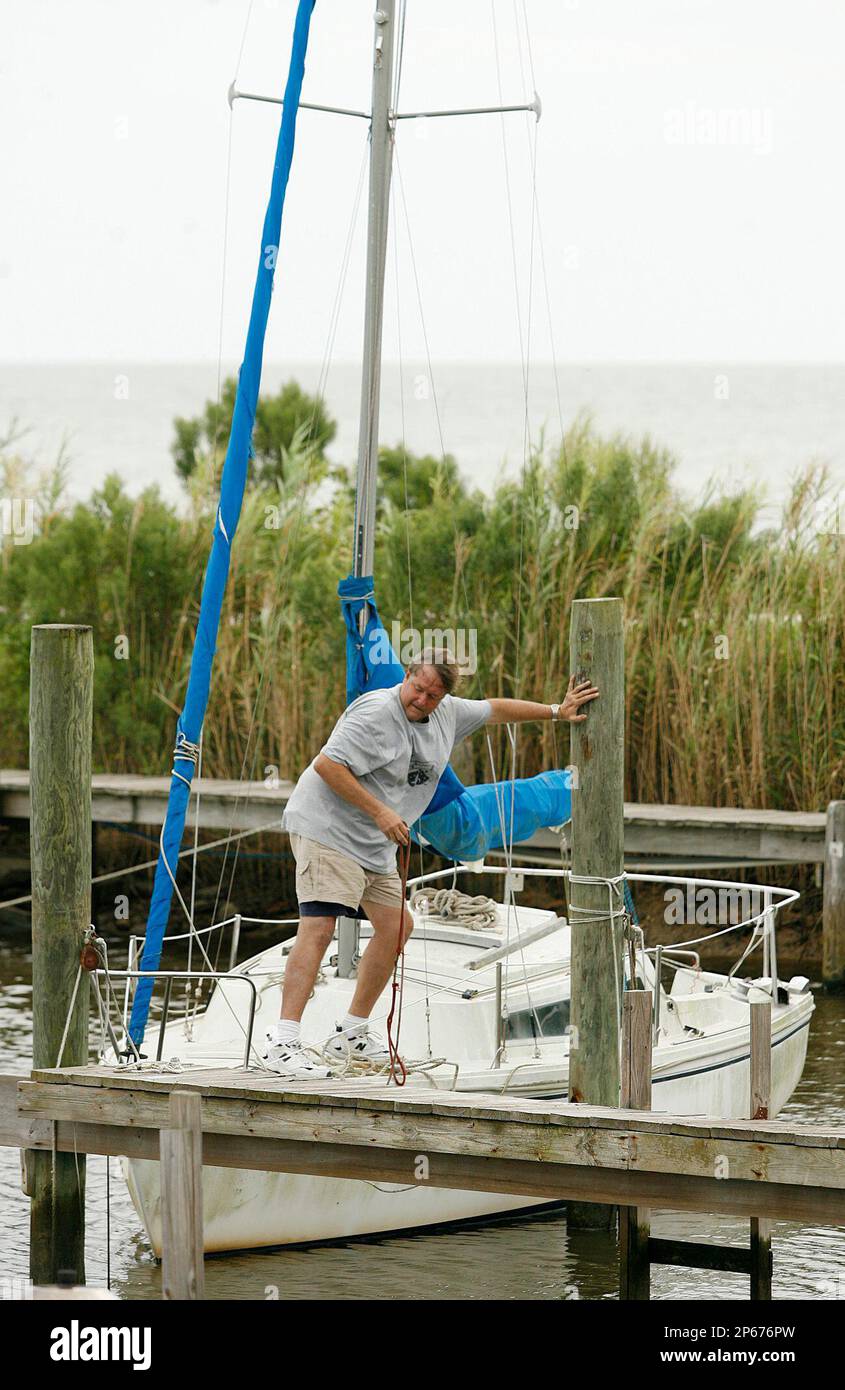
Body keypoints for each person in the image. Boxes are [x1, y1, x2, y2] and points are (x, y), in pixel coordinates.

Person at [263, 650, 599, 1077]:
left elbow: (496, 709)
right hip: (327, 829)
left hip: (372, 843)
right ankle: (283, 1040)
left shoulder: (447, 714)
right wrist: (382, 812)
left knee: (398, 926)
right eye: (417, 689)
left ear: (444, 697)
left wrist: (556, 711)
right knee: (321, 926)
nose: (421, 700)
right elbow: (326, 765)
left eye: (432, 695)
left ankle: (350, 1031)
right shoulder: (375, 714)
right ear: (407, 677)